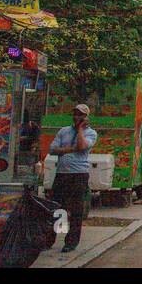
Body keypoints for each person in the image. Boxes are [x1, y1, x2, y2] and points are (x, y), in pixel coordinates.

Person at [49, 104, 99, 253]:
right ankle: (55, 235)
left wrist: (80, 130)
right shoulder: (63, 131)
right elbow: (52, 149)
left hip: (79, 175)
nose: (77, 117)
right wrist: (70, 149)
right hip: (62, 174)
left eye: (81, 115)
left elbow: (82, 146)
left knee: (76, 210)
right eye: (75, 114)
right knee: (58, 207)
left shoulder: (91, 133)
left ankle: (71, 242)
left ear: (86, 118)